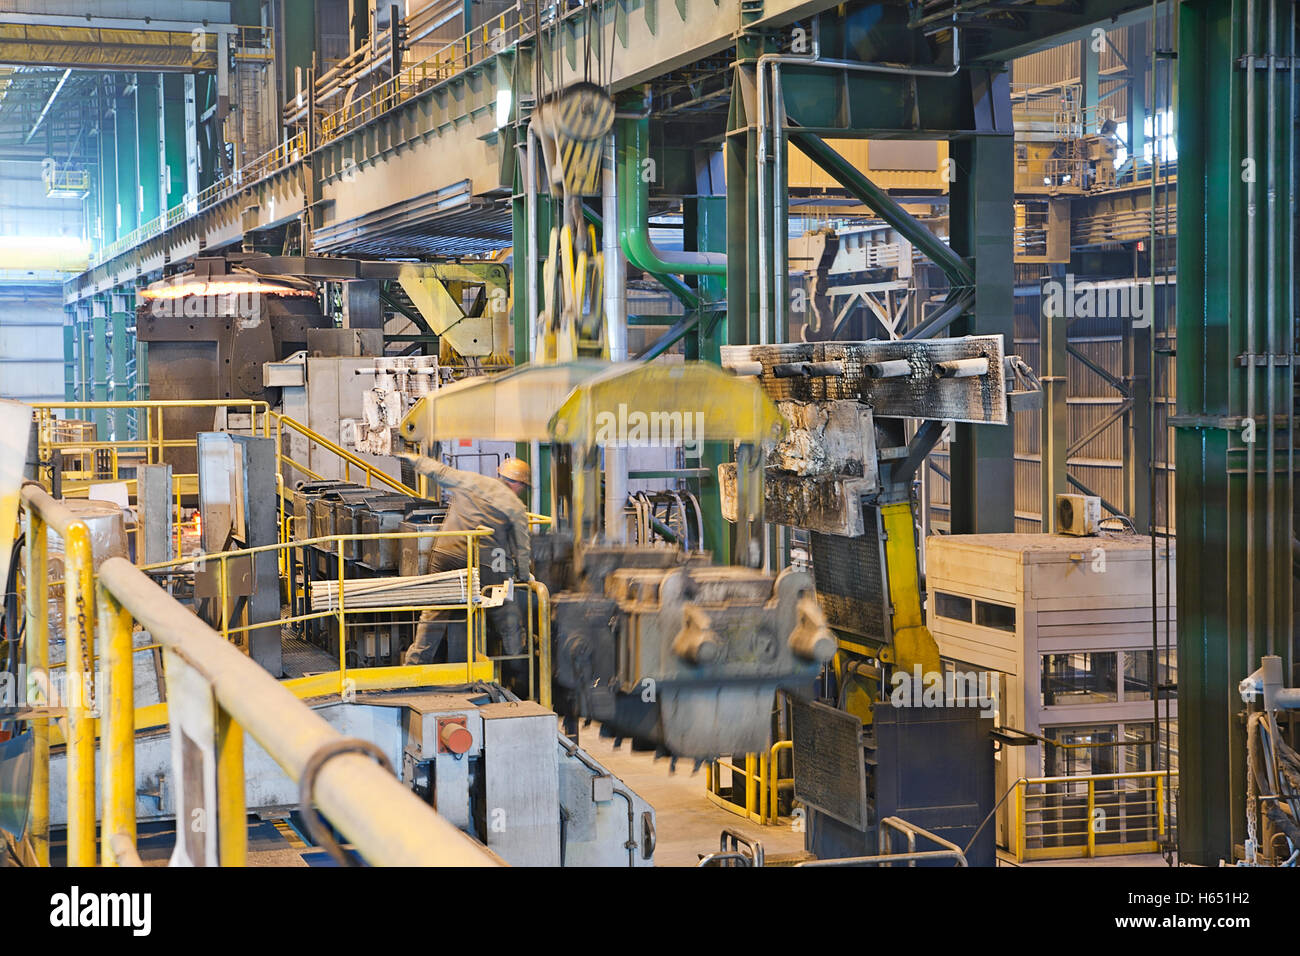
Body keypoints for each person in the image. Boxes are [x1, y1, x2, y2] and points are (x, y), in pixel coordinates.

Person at [401, 454, 533, 686]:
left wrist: (411, 457)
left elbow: (437, 471)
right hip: (485, 566)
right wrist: (523, 577)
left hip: (446, 555)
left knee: (434, 613)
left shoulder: (470, 480)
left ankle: (412, 670)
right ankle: (520, 671)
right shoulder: (515, 506)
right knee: (507, 615)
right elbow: (522, 548)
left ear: (499, 474)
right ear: (519, 484)